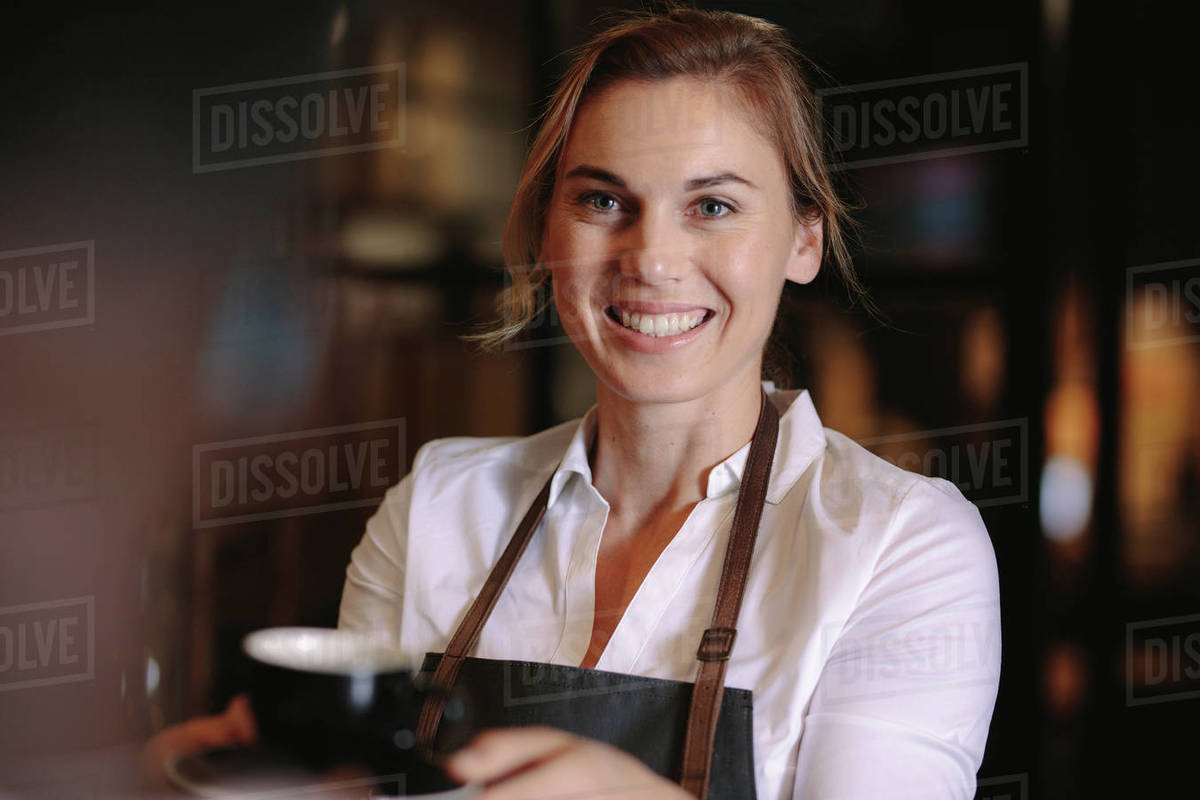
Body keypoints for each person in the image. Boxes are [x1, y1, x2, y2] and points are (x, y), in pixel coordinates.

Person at [148, 6, 1001, 799]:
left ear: (804, 240)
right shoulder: (436, 507)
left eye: (712, 206)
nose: (652, 257)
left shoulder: (902, 546)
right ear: (547, 230)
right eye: (602, 200)